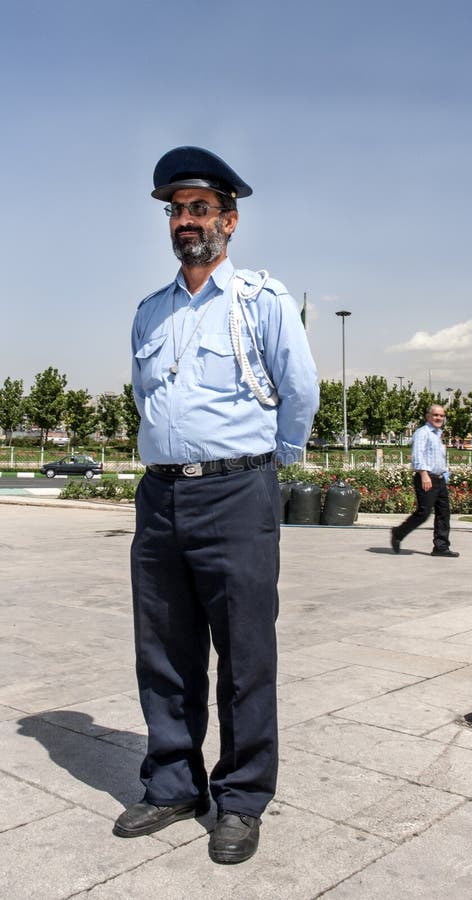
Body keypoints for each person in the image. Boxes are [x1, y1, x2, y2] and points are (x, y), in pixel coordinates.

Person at [113, 146, 319, 864]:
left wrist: (269, 464)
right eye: (175, 210)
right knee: (163, 651)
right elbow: (145, 399)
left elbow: (301, 393)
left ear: (229, 220)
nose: (184, 221)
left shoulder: (261, 301)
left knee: (244, 652)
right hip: (162, 496)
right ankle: (172, 783)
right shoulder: (150, 313)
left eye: (199, 208)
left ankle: (241, 796)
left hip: (236, 492)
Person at [390, 404, 459, 557]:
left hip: (439, 479)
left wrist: (444, 474)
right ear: (428, 416)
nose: (439, 418)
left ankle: (441, 547)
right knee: (424, 512)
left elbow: (436, 458)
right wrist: (424, 474)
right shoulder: (423, 433)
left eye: (441, 415)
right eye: (436, 415)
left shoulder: (437, 434)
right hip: (426, 478)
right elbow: (417, 455)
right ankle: (398, 533)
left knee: (443, 513)